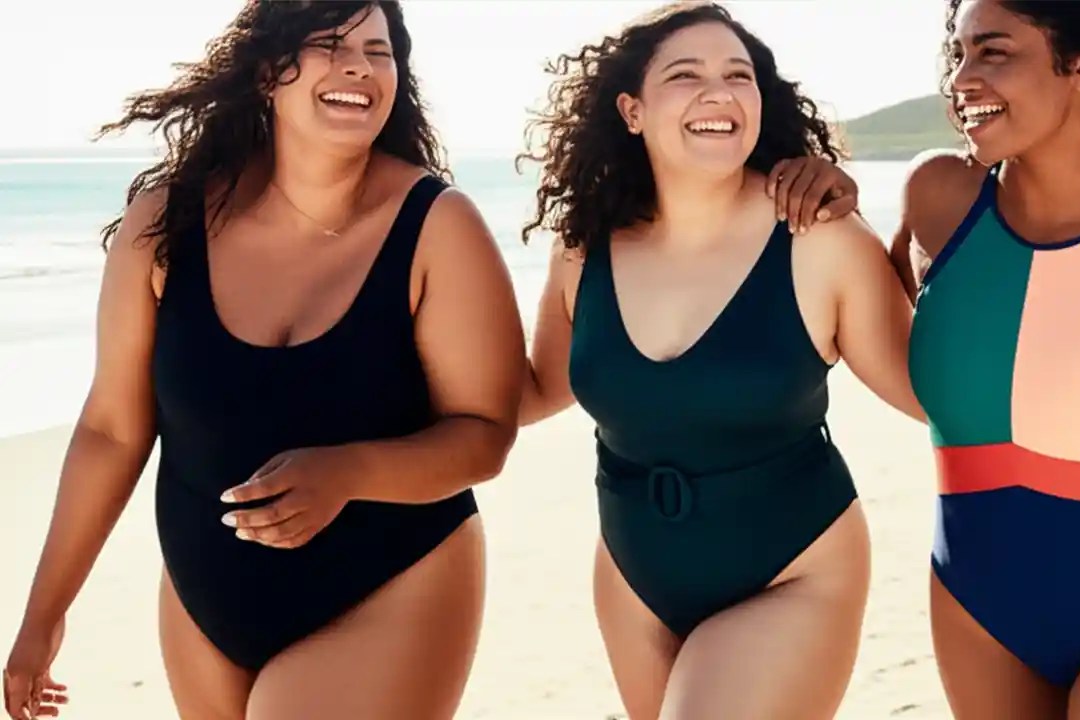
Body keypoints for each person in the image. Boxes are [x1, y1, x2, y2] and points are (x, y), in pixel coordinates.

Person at [2, 2, 524, 718]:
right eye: (327, 44)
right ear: (265, 75)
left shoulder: (437, 225)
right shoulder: (165, 223)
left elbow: (485, 432)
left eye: (379, 51)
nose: (358, 66)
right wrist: (43, 615)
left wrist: (349, 472)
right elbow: (112, 430)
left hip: (391, 584)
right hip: (203, 609)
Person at [771, 1, 1080, 718]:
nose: (961, 78)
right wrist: (835, 210)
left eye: (994, 52)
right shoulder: (939, 198)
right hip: (976, 605)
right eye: (959, 53)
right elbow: (878, 332)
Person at [516, 2, 923, 718]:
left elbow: (932, 393)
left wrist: (924, 235)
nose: (718, 91)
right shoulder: (586, 248)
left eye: (739, 75)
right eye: (685, 74)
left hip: (794, 571)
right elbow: (536, 388)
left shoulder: (818, 237)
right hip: (632, 581)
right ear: (632, 110)